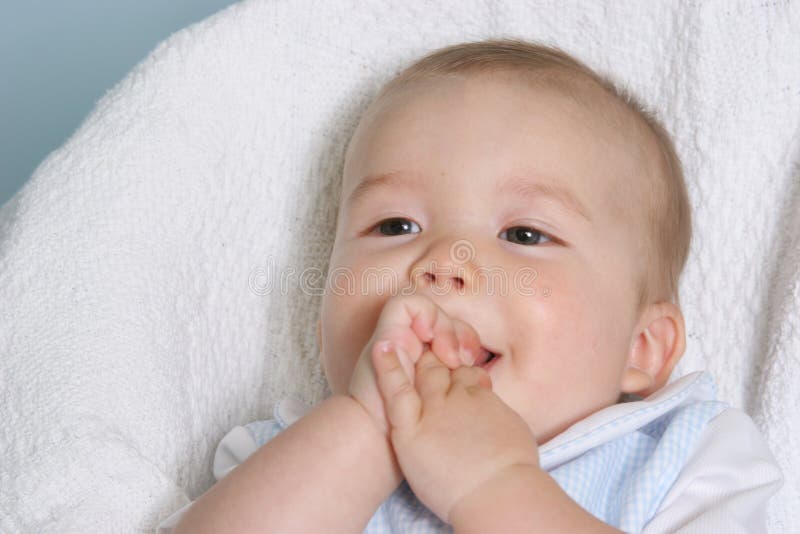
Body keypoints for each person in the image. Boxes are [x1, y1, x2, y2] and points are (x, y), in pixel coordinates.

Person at [158, 38, 783, 533]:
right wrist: (367, 430)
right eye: (395, 224)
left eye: (524, 234)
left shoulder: (683, 460)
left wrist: (495, 485)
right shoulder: (289, 461)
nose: (442, 264)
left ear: (641, 346)